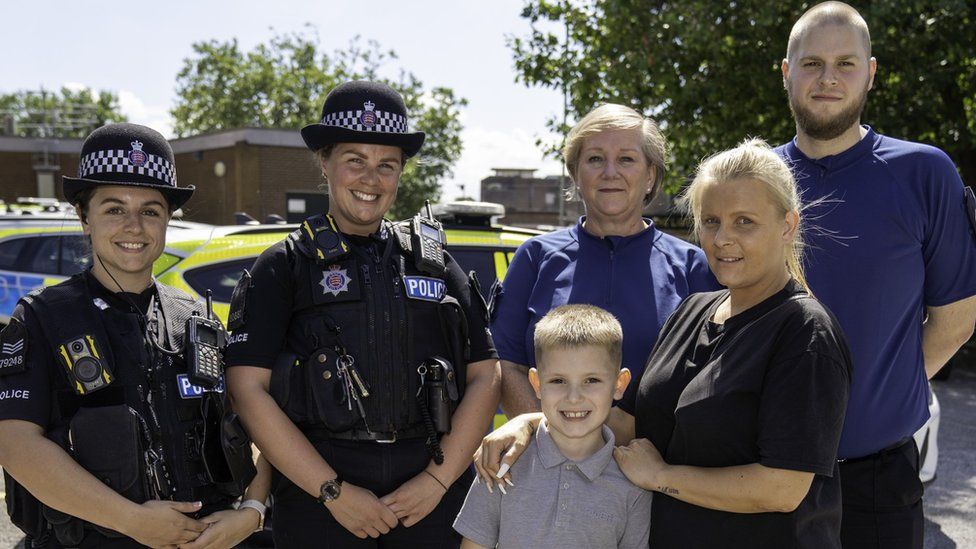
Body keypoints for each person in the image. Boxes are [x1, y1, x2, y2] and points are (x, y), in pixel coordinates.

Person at [477, 139, 853, 548]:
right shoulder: (694, 309)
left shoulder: (804, 331)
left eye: (744, 221)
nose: (723, 238)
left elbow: (781, 489)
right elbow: (631, 423)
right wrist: (532, 424)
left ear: (787, 225)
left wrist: (662, 477)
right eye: (711, 221)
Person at [225, 80, 500, 548]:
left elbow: (486, 375)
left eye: (386, 165)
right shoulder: (285, 266)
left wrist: (436, 481)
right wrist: (331, 491)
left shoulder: (432, 261)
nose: (371, 179)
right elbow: (247, 389)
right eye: (355, 160)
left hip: (429, 487)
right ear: (325, 161)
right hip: (320, 491)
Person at [0, 123, 267, 549]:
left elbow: (250, 423)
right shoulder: (44, 317)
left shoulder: (195, 316)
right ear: (83, 218)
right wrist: (131, 521)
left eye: (150, 210)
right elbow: (14, 443)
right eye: (114, 209)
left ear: (167, 221)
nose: (134, 227)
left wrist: (252, 512)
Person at [777, 3, 976, 547]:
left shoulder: (924, 172)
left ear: (871, 72)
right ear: (787, 72)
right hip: (765, 471)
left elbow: (957, 316)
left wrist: (885, 393)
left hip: (880, 478)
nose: (828, 78)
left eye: (846, 63)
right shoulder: (754, 179)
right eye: (812, 63)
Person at [490, 103, 718, 418]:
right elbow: (506, 364)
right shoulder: (534, 257)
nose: (610, 172)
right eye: (596, 159)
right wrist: (552, 443)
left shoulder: (695, 267)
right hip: (549, 460)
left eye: (626, 159)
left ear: (650, 175)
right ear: (575, 174)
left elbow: (711, 379)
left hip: (656, 462)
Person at [453, 304, 650, 549]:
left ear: (619, 384)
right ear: (536, 383)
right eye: (558, 380)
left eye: (592, 380)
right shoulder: (500, 464)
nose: (574, 397)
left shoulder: (633, 484)